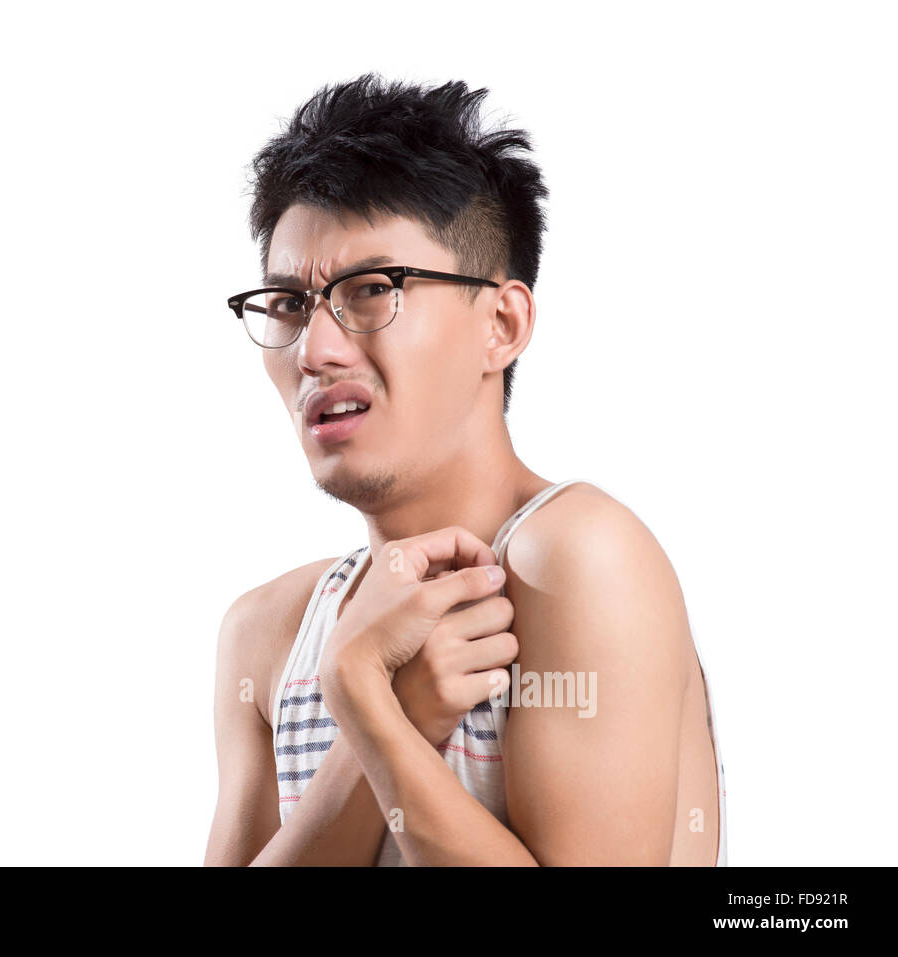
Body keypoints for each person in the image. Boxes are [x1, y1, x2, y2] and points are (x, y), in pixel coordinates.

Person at [204, 73, 727, 866]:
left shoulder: (576, 559)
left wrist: (369, 709)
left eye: (372, 290)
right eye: (287, 304)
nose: (315, 350)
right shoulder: (266, 633)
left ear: (503, 324)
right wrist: (385, 714)